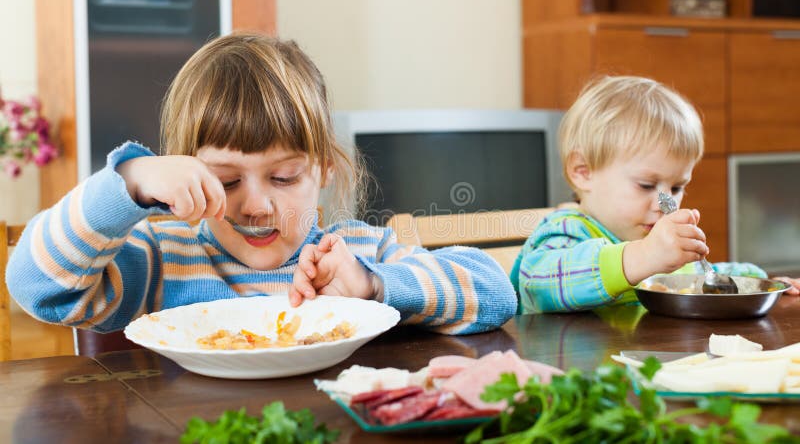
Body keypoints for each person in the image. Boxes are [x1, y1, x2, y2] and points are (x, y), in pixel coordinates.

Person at [6, 32, 516, 335]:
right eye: (225, 181)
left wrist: (373, 285)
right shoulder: (161, 258)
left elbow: (496, 293)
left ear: (324, 169)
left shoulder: (359, 251)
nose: (256, 206)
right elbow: (35, 287)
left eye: (285, 176)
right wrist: (128, 182)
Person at [511, 75, 799, 314]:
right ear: (583, 171)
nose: (667, 203)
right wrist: (642, 257)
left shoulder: (651, 242)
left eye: (676, 187)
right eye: (646, 185)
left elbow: (696, 277)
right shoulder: (567, 230)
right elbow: (538, 283)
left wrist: (762, 282)